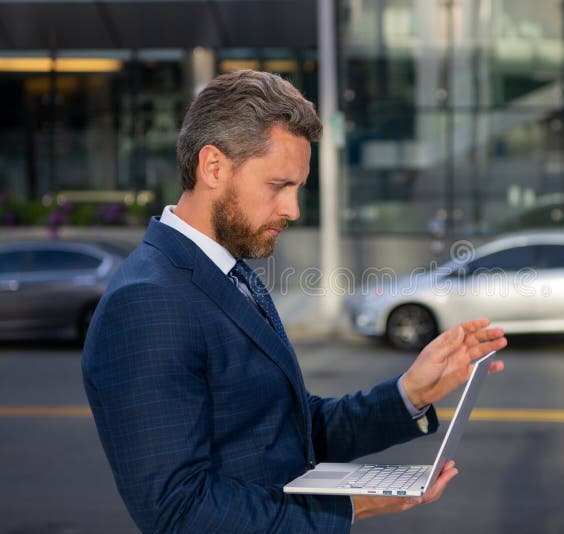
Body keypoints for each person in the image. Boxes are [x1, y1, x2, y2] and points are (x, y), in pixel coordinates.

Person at [82, 70, 507, 533]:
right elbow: (178, 510)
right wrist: (348, 508)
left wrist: (409, 393)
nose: (294, 210)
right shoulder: (147, 301)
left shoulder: (228, 271)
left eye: (298, 188)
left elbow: (291, 432)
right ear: (213, 167)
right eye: (279, 186)